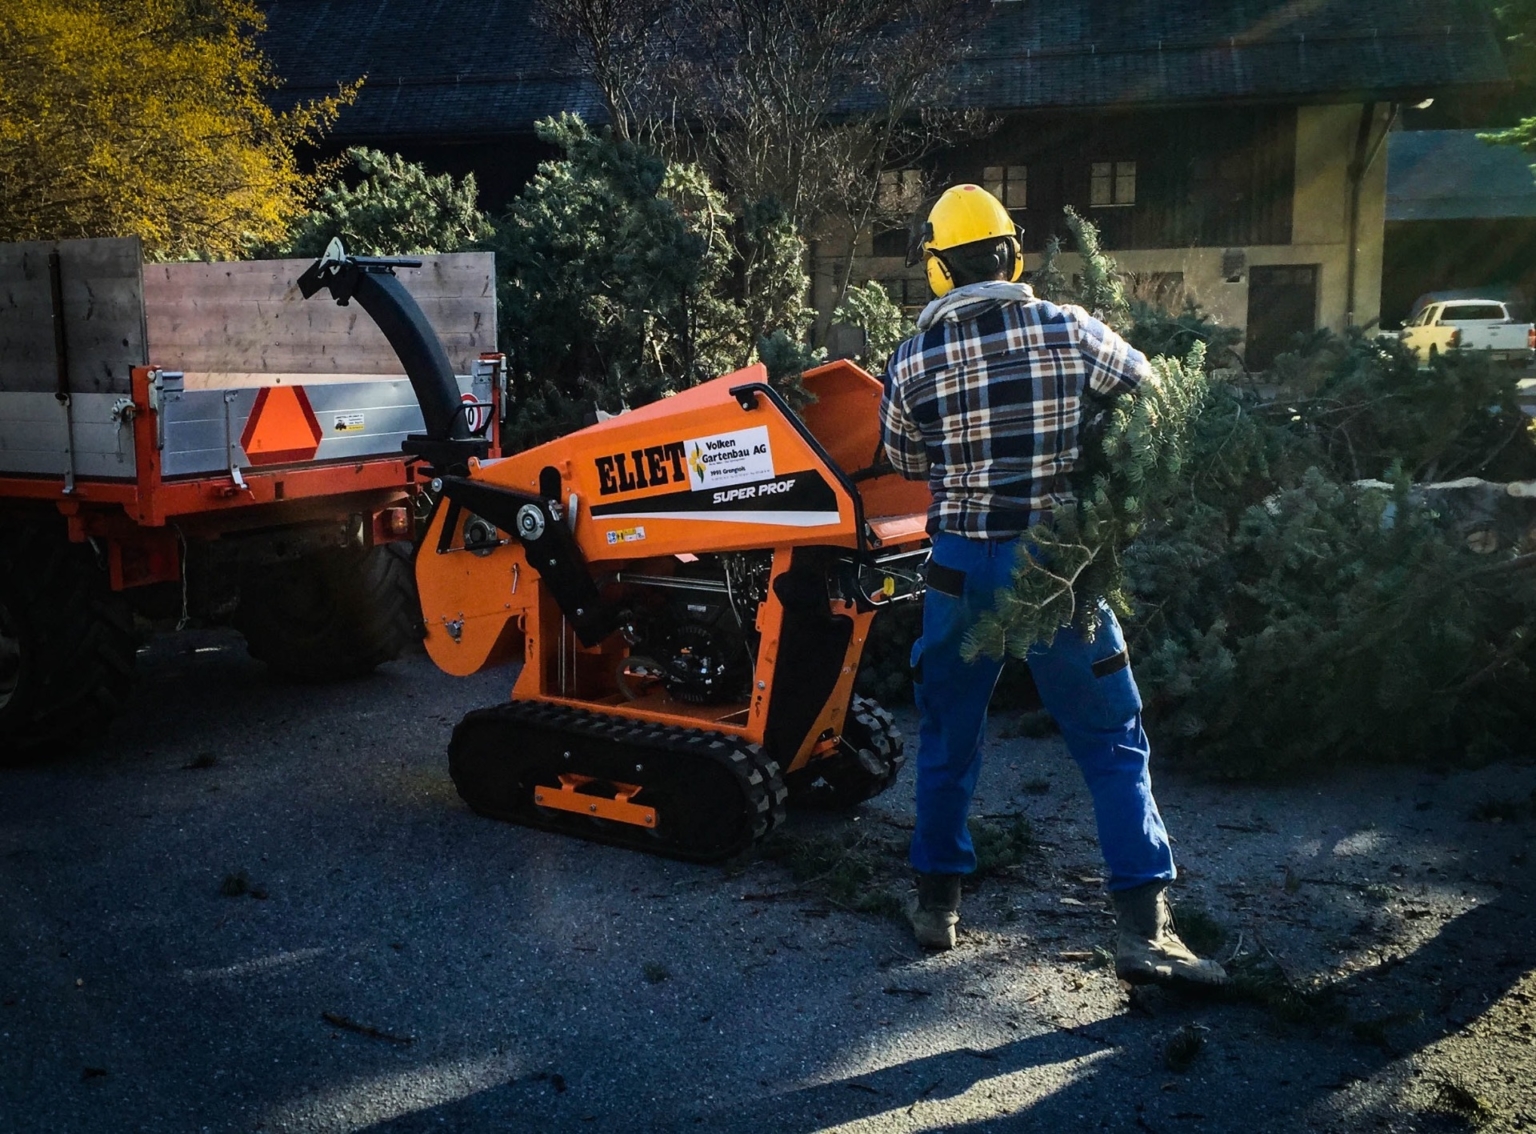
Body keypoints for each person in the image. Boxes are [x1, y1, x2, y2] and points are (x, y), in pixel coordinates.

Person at [879, 184, 1226, 988]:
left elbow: (901, 460)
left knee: (947, 740)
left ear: (937, 269)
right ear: (1012, 254)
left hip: (957, 568)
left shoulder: (912, 357)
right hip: (1056, 564)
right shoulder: (1070, 329)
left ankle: (936, 910)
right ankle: (1145, 931)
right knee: (1111, 742)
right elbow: (1156, 403)